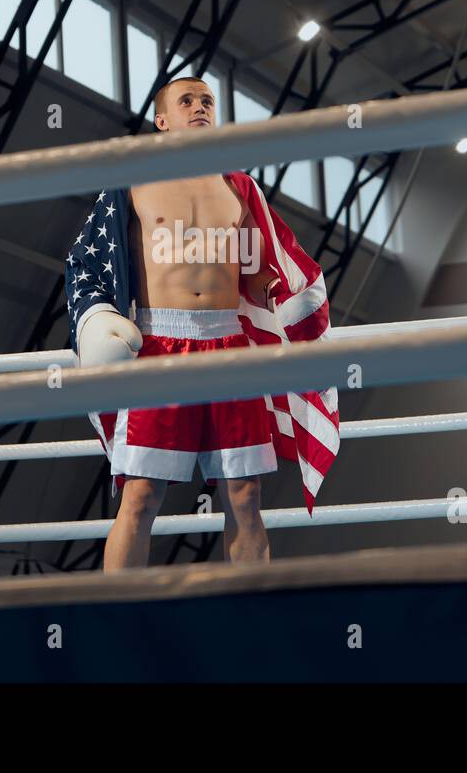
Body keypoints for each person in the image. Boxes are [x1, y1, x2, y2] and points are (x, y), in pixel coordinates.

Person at [65, 77, 340, 571]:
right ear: (162, 119)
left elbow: (262, 273)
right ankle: (114, 617)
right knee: (142, 494)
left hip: (228, 345)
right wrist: (96, 319)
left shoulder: (239, 188)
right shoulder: (132, 182)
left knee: (245, 495)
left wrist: (279, 296)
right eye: (186, 101)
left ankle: (250, 618)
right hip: (158, 345)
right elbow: (87, 262)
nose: (199, 107)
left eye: (207, 101)